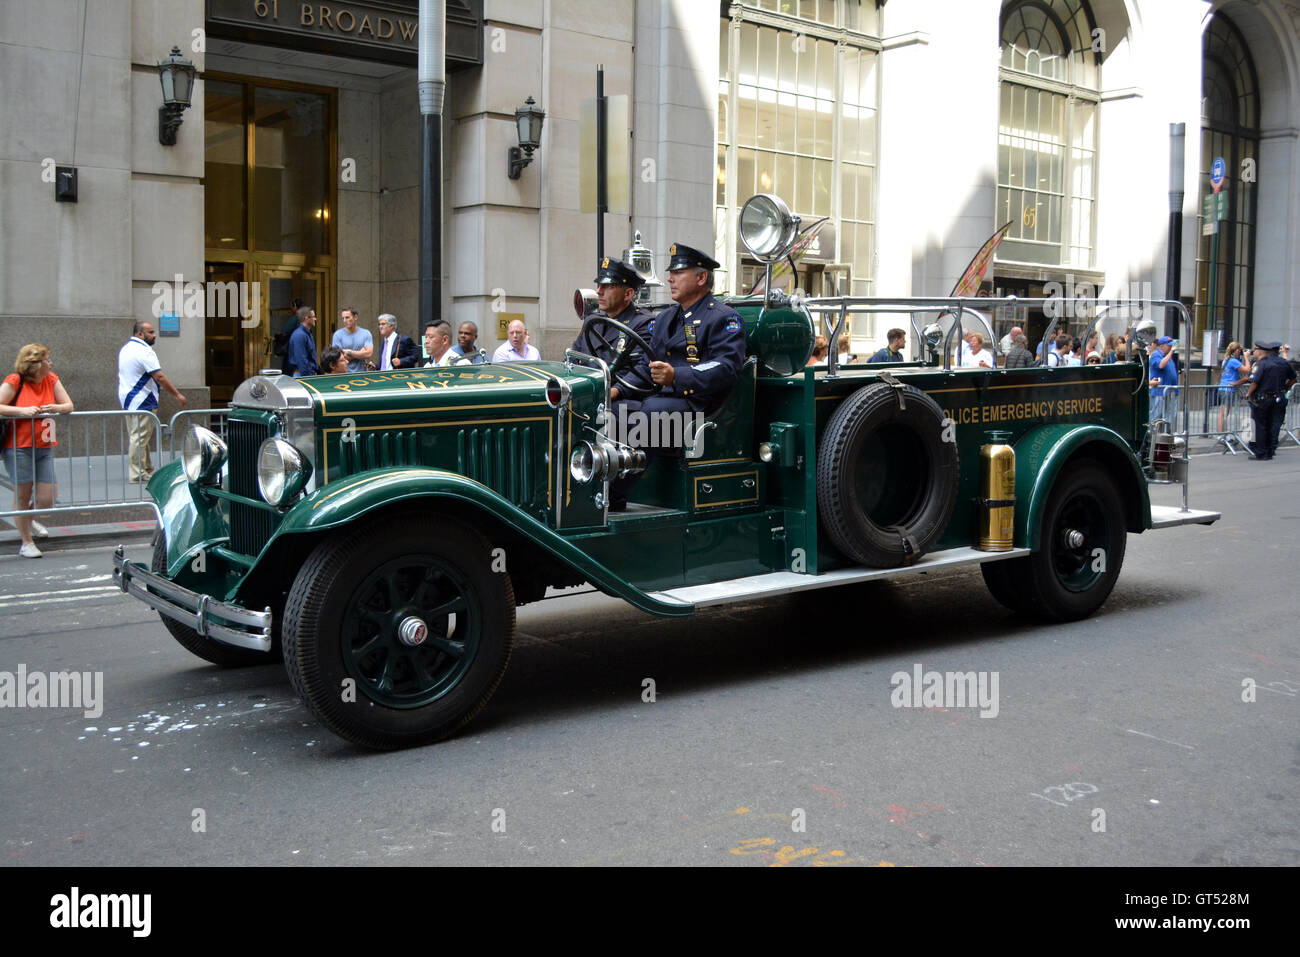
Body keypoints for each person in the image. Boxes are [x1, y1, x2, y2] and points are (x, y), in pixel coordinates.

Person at [608, 243, 746, 509]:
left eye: (678, 272)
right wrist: (617, 390)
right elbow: (648, 368)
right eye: (671, 272)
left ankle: (612, 494)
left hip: (700, 405)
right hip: (664, 400)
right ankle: (595, 478)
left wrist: (677, 376)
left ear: (701, 277)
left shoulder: (724, 318)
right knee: (613, 410)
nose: (669, 278)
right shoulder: (664, 318)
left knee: (651, 414)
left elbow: (725, 367)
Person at [1, 344, 74, 557]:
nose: (50, 364)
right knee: (22, 495)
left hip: (44, 444)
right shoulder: (15, 380)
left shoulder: (51, 378)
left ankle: (28, 520)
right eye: (46, 360)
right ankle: (26, 542)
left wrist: (57, 408)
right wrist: (21, 411)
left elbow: (69, 405)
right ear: (34, 364)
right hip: (18, 446)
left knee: (47, 498)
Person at [117, 320, 186, 483]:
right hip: (143, 398)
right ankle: (137, 473)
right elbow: (159, 376)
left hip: (128, 399)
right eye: (150, 332)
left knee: (140, 436)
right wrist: (177, 395)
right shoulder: (144, 351)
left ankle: (146, 468)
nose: (154, 336)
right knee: (140, 437)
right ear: (140, 334)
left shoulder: (126, 348)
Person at [572, 258, 654, 365]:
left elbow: (634, 373)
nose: (599, 291)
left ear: (628, 294)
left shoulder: (642, 324)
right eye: (599, 285)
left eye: (608, 286)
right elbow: (571, 361)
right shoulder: (591, 321)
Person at [1244, 341, 1296, 460]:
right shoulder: (1284, 363)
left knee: (1261, 426)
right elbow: (1293, 379)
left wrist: (1248, 393)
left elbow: (1255, 381)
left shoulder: (1263, 363)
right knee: (1275, 424)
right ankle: (1270, 449)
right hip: (1279, 397)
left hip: (1263, 398)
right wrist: (1285, 387)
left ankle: (1262, 452)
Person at [1215, 341, 1251, 440]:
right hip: (1228, 389)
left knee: (1224, 413)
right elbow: (1247, 370)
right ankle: (1221, 435)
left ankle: (1224, 434)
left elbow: (1240, 368)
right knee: (1223, 413)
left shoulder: (1227, 359)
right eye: (1240, 350)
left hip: (1224, 387)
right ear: (1237, 350)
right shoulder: (1233, 361)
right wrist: (1247, 357)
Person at [1148, 335, 1179, 422]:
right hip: (1160, 392)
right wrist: (1171, 352)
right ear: (1162, 346)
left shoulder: (1169, 356)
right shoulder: (1156, 355)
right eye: (1169, 345)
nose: (1171, 347)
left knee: (1171, 416)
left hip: (1171, 391)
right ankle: (1152, 434)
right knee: (1156, 416)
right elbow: (1161, 365)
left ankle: (1168, 433)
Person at [332, 307, 373, 372]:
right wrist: (361, 353)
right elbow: (338, 358)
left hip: (362, 373)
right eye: (343, 318)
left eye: (347, 317)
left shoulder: (366, 333)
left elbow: (368, 354)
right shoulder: (337, 335)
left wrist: (349, 352)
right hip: (344, 374)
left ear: (355, 317)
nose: (344, 321)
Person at [286, 305, 319, 378]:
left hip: (308, 374)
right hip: (303, 375)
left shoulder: (307, 333)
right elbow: (301, 359)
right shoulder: (300, 335)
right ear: (307, 318)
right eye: (313, 317)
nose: (315, 319)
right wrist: (307, 377)